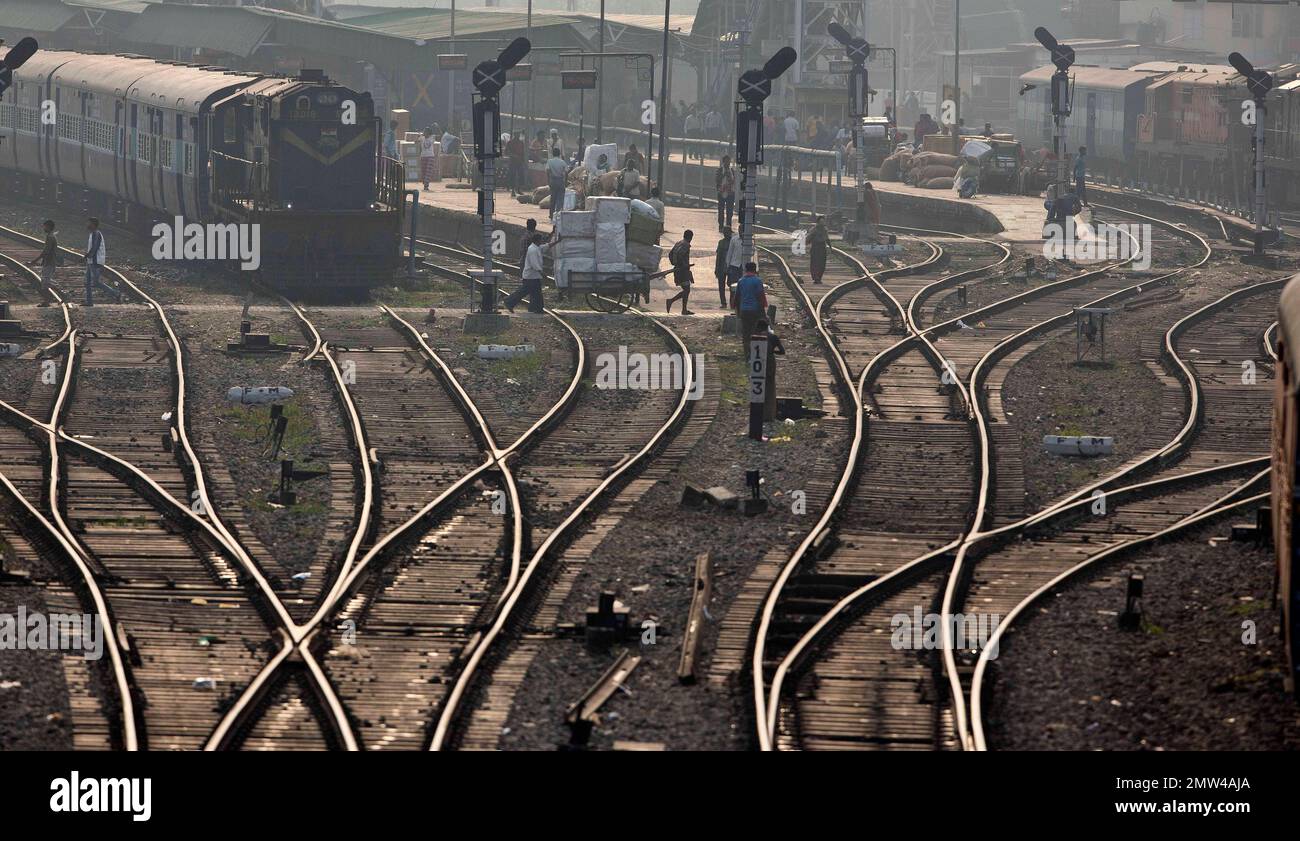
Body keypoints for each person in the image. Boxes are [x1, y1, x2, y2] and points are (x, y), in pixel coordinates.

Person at [505, 232, 558, 314]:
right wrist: (543, 274)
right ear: (538, 240)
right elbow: (535, 265)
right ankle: (510, 302)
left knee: (535, 293)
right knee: (527, 292)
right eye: (541, 240)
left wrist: (557, 241)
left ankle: (535, 308)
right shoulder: (533, 250)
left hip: (533, 276)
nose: (542, 241)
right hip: (531, 276)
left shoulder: (536, 247)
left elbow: (546, 246)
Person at [733, 261, 768, 348]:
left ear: (745, 270)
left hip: (744, 311)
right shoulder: (758, 281)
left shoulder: (741, 281)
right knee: (756, 332)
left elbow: (737, 297)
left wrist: (737, 310)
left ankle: (747, 353)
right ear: (755, 270)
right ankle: (755, 352)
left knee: (746, 332)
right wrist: (763, 311)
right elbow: (761, 296)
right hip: (755, 311)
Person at [666, 230, 695, 315]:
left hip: (678, 269)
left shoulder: (678, 243)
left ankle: (683, 309)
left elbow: (670, 254)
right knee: (687, 289)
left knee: (686, 289)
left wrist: (674, 263)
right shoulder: (686, 245)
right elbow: (680, 255)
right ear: (691, 237)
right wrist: (683, 265)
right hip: (682, 271)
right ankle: (671, 301)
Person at [30, 219, 57, 291]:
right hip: (48, 262)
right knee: (44, 282)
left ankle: (61, 292)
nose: (44, 228)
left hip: (49, 262)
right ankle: (47, 300)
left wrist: (35, 260)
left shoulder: (50, 237)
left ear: (49, 227)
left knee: (45, 282)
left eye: (45, 227)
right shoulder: (50, 236)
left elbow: (46, 251)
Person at [83, 217, 104, 307]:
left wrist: (87, 255)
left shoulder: (96, 234)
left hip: (95, 261)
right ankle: (89, 302)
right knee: (87, 282)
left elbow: (95, 248)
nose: (87, 224)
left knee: (96, 283)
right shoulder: (92, 234)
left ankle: (116, 293)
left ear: (93, 224)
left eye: (89, 223)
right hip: (91, 261)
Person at [546, 147, 568, 219]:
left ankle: (551, 214)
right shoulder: (562, 162)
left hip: (553, 180)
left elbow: (547, 171)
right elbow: (566, 171)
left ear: (553, 153)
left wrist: (548, 180)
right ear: (559, 154)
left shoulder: (550, 161)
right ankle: (558, 214)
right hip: (560, 180)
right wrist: (565, 181)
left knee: (553, 198)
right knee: (560, 199)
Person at [715, 155, 736, 231]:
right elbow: (717, 180)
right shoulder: (720, 170)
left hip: (730, 193)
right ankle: (721, 226)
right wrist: (724, 174)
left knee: (729, 212)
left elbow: (734, 181)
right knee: (721, 210)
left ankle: (728, 227)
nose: (728, 163)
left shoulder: (732, 171)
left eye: (729, 161)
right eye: (727, 161)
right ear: (723, 162)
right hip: (721, 192)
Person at [714, 228, 733, 308]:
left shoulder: (733, 242)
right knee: (722, 286)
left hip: (730, 267)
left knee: (732, 285)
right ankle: (724, 302)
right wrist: (716, 268)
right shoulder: (721, 242)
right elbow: (718, 257)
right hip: (722, 267)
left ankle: (731, 302)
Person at [808, 216, 829, 284]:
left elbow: (827, 238)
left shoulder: (825, 230)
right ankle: (815, 277)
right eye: (821, 222)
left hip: (822, 248)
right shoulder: (814, 229)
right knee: (815, 263)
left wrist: (830, 247)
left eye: (823, 221)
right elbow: (809, 238)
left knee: (822, 263)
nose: (822, 223)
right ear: (818, 222)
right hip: (815, 247)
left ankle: (819, 277)